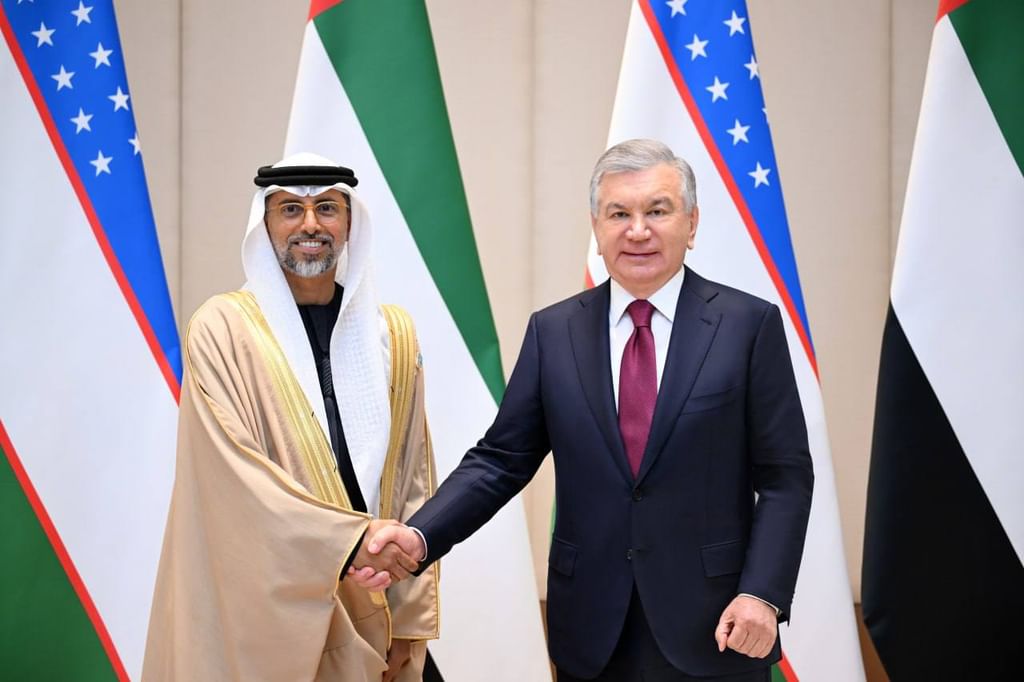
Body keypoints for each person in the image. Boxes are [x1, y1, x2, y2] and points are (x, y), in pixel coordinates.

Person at [363, 139, 814, 681]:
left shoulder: (748, 326)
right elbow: (500, 459)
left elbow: (786, 477)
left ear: (691, 225)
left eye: (658, 211)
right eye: (619, 213)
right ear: (596, 229)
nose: (638, 230)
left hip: (717, 625)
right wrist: (420, 535)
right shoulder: (554, 332)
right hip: (593, 628)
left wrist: (762, 594)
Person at [142, 153, 439, 682]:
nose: (310, 224)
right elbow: (234, 481)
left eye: (327, 208)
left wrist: (411, 622)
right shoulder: (223, 329)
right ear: (266, 223)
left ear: (350, 224)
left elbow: (413, 478)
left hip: (380, 597)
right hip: (273, 609)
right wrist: (343, 543)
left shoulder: (391, 334)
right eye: (289, 210)